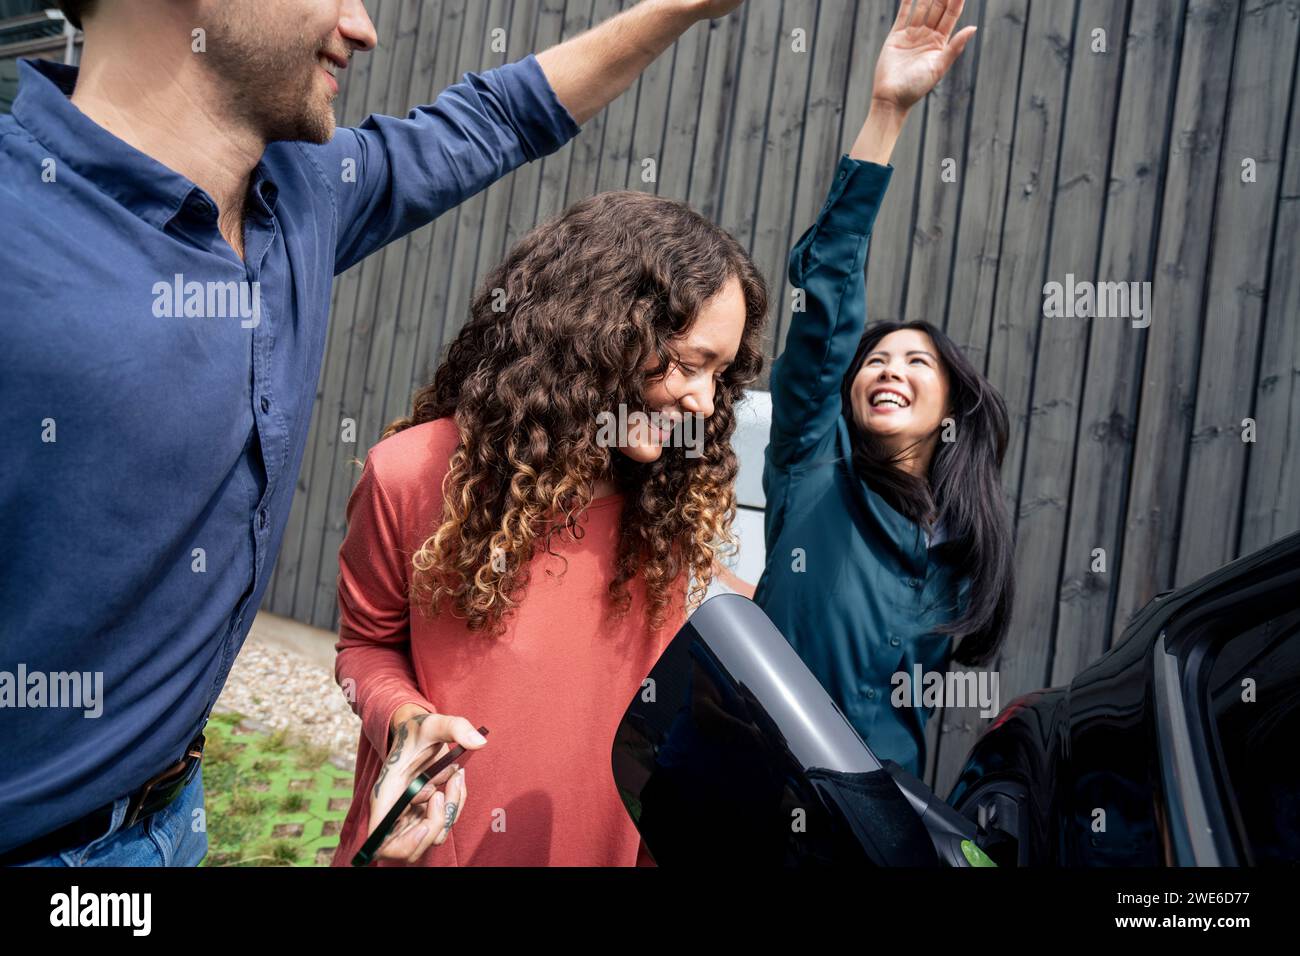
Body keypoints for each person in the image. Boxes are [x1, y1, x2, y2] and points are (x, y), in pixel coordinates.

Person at [0, 0, 746, 867]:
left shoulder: (304, 200)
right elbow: (374, 641)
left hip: (170, 818)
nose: (364, 26)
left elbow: (502, 115)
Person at [331, 189, 768, 865]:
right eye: (685, 364)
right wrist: (410, 725)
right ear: (595, 337)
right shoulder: (410, 475)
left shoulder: (673, 508)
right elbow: (366, 646)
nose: (703, 401)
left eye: (719, 373)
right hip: (433, 846)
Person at [752, 0, 1014, 779]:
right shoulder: (811, 459)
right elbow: (828, 289)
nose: (890, 369)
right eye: (876, 360)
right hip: (754, 792)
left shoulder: (959, 551)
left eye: (918, 363)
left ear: (950, 414)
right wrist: (887, 112)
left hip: (874, 819)